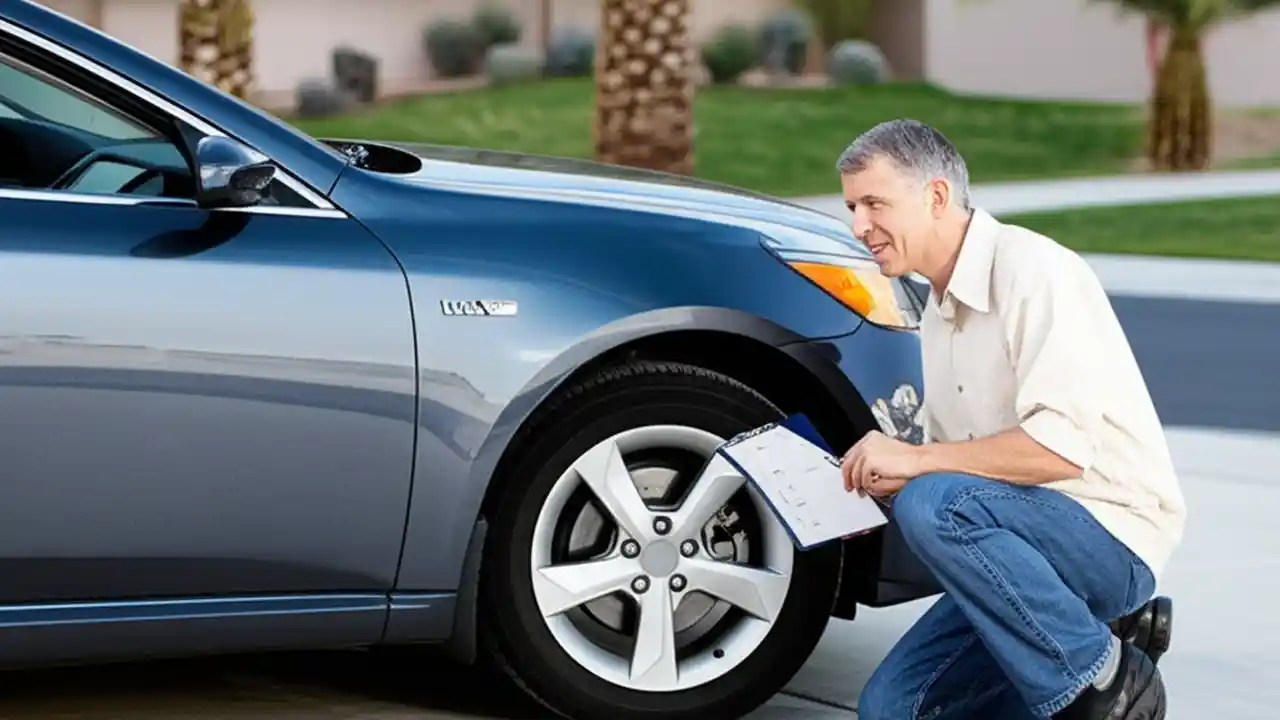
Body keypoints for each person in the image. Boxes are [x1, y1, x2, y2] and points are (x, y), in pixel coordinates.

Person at [835, 119, 1186, 720]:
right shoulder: (938, 311)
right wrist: (878, 484)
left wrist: (916, 464)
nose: (859, 225)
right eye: (851, 207)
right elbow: (965, 474)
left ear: (936, 196)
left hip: (1108, 534)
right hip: (1027, 549)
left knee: (936, 503)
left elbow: (1059, 452)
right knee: (890, 709)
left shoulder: (1035, 271)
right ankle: (1095, 633)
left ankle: (1107, 682)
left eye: (873, 203)